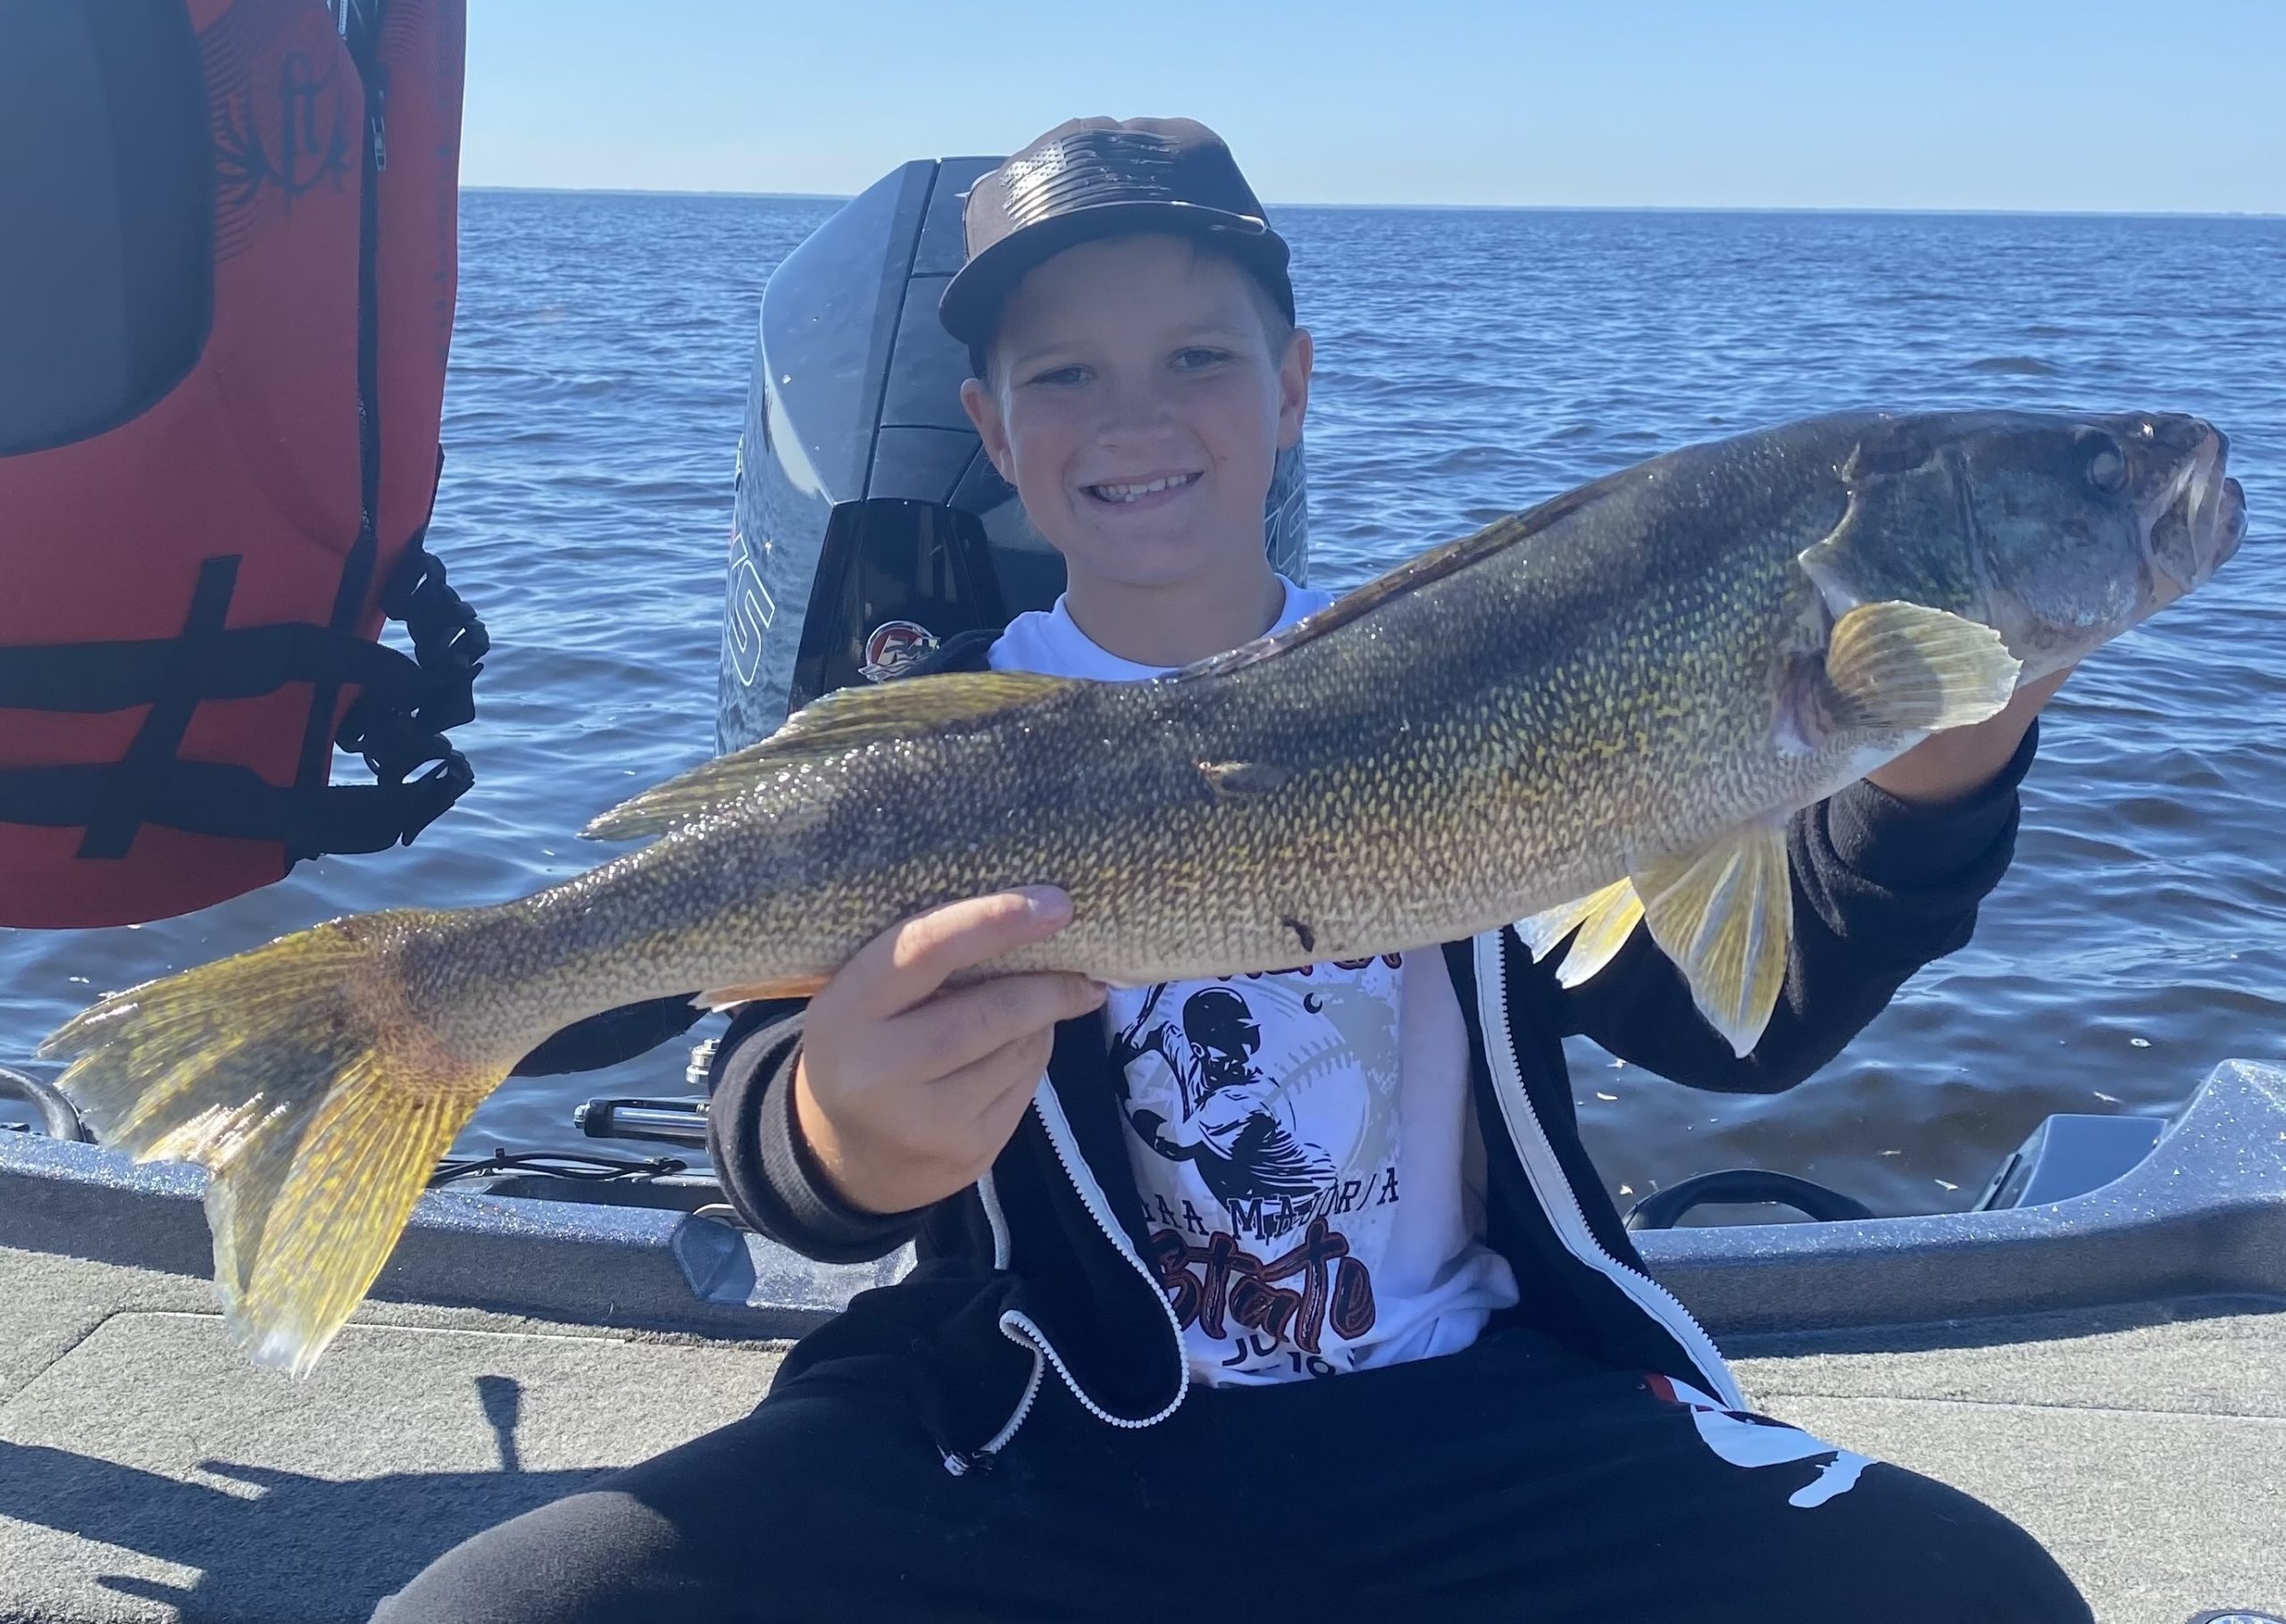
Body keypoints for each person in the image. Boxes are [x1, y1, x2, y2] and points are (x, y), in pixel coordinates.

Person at [380, 117, 2090, 1621]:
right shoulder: (922, 757)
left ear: (1293, 386)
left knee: (1986, 1596)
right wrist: (840, 1133)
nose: (1135, 414)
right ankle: (380, 1028)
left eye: (1199, 355)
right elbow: (765, 1092)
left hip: (1471, 1411)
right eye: (1065, 375)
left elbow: (1738, 1027)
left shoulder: (1497, 684)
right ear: (988, 426)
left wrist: (1940, 773)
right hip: (1034, 1418)